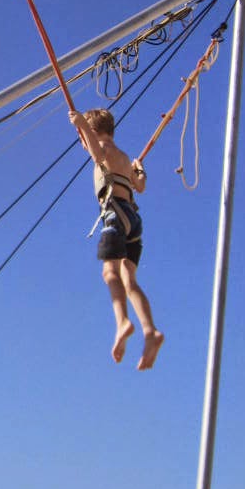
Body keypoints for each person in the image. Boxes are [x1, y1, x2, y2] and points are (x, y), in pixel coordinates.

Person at [69, 108, 163, 369]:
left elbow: (97, 154)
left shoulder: (101, 148)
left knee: (109, 273)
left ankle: (122, 321)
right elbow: (140, 187)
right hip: (134, 220)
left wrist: (81, 126)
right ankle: (150, 331)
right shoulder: (123, 157)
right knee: (128, 280)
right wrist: (140, 172)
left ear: (91, 133)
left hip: (115, 216)